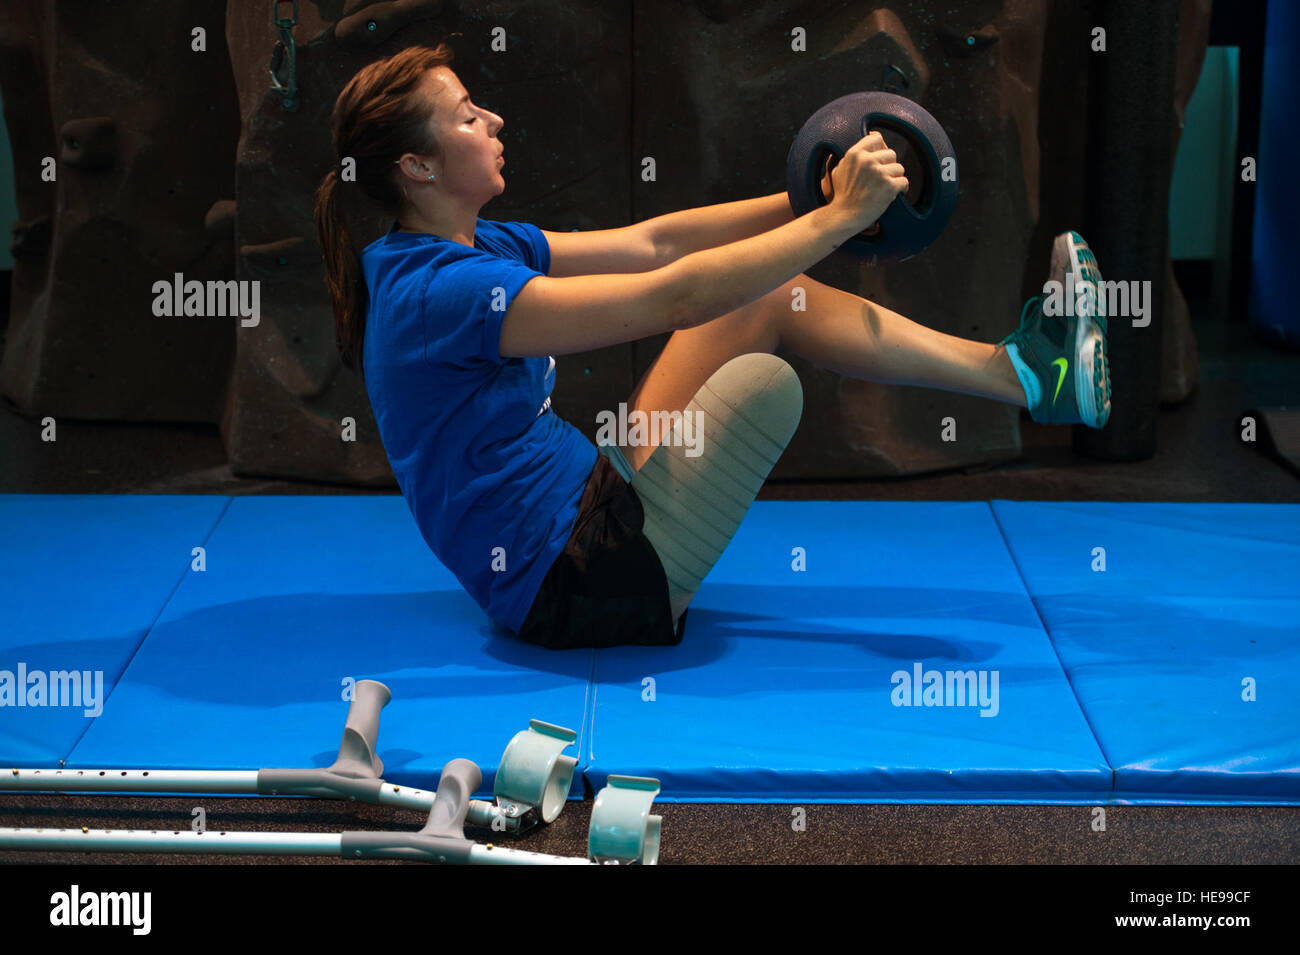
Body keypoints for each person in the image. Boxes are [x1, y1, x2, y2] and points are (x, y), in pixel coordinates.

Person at [313, 44, 1111, 651]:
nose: (491, 121)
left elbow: (656, 243)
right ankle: (1024, 374)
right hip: (581, 583)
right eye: (464, 117)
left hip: (591, 503)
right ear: (417, 167)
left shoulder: (474, 244)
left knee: (769, 292)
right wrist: (833, 223)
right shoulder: (440, 294)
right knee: (759, 329)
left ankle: (1025, 373)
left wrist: (809, 196)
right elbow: (676, 295)